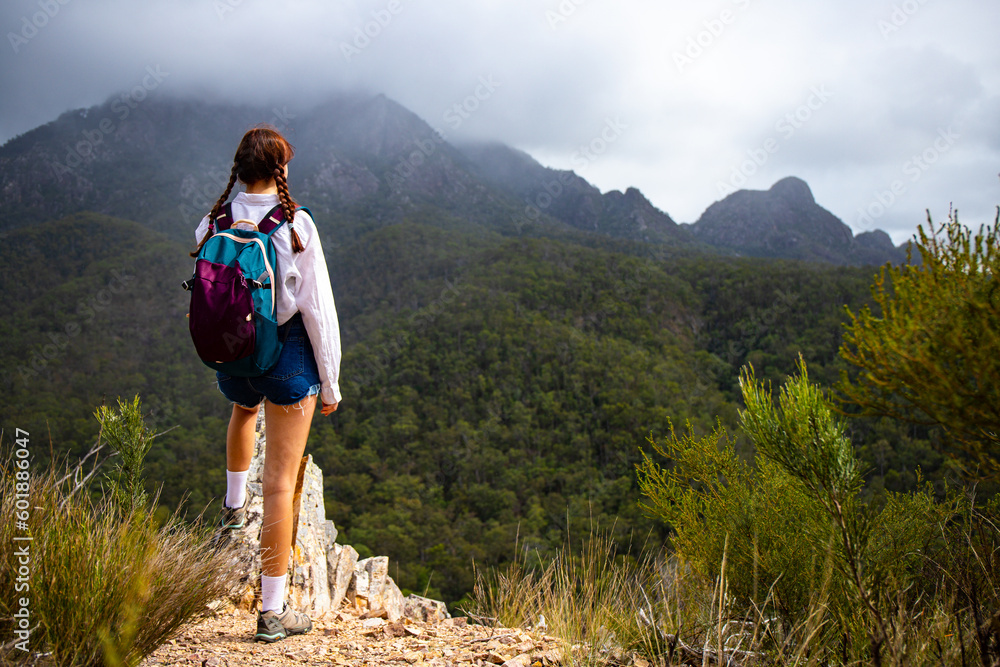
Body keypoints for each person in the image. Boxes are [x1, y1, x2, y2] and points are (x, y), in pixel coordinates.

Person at [193, 126, 342, 643]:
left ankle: (232, 512)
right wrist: (331, 383)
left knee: (242, 413)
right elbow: (318, 309)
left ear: (238, 168)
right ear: (281, 168)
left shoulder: (213, 220)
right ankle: (272, 613)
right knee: (280, 483)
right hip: (286, 353)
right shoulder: (296, 225)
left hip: (234, 352)